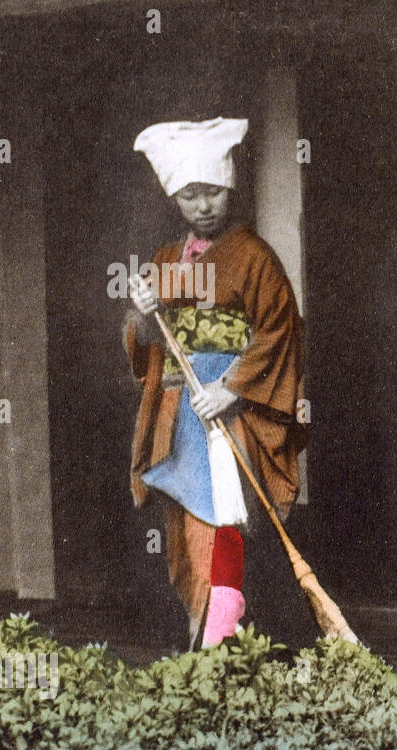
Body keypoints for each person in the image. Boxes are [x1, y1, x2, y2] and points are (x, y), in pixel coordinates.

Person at [125, 117, 306, 651]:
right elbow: (144, 342)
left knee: (220, 511)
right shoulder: (162, 262)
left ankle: (219, 629)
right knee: (182, 523)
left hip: (228, 407)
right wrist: (142, 315)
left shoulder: (254, 257)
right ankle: (200, 629)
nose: (203, 207)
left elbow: (279, 329)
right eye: (189, 196)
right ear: (175, 200)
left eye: (213, 194)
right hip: (178, 408)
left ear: (230, 192)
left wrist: (231, 388)